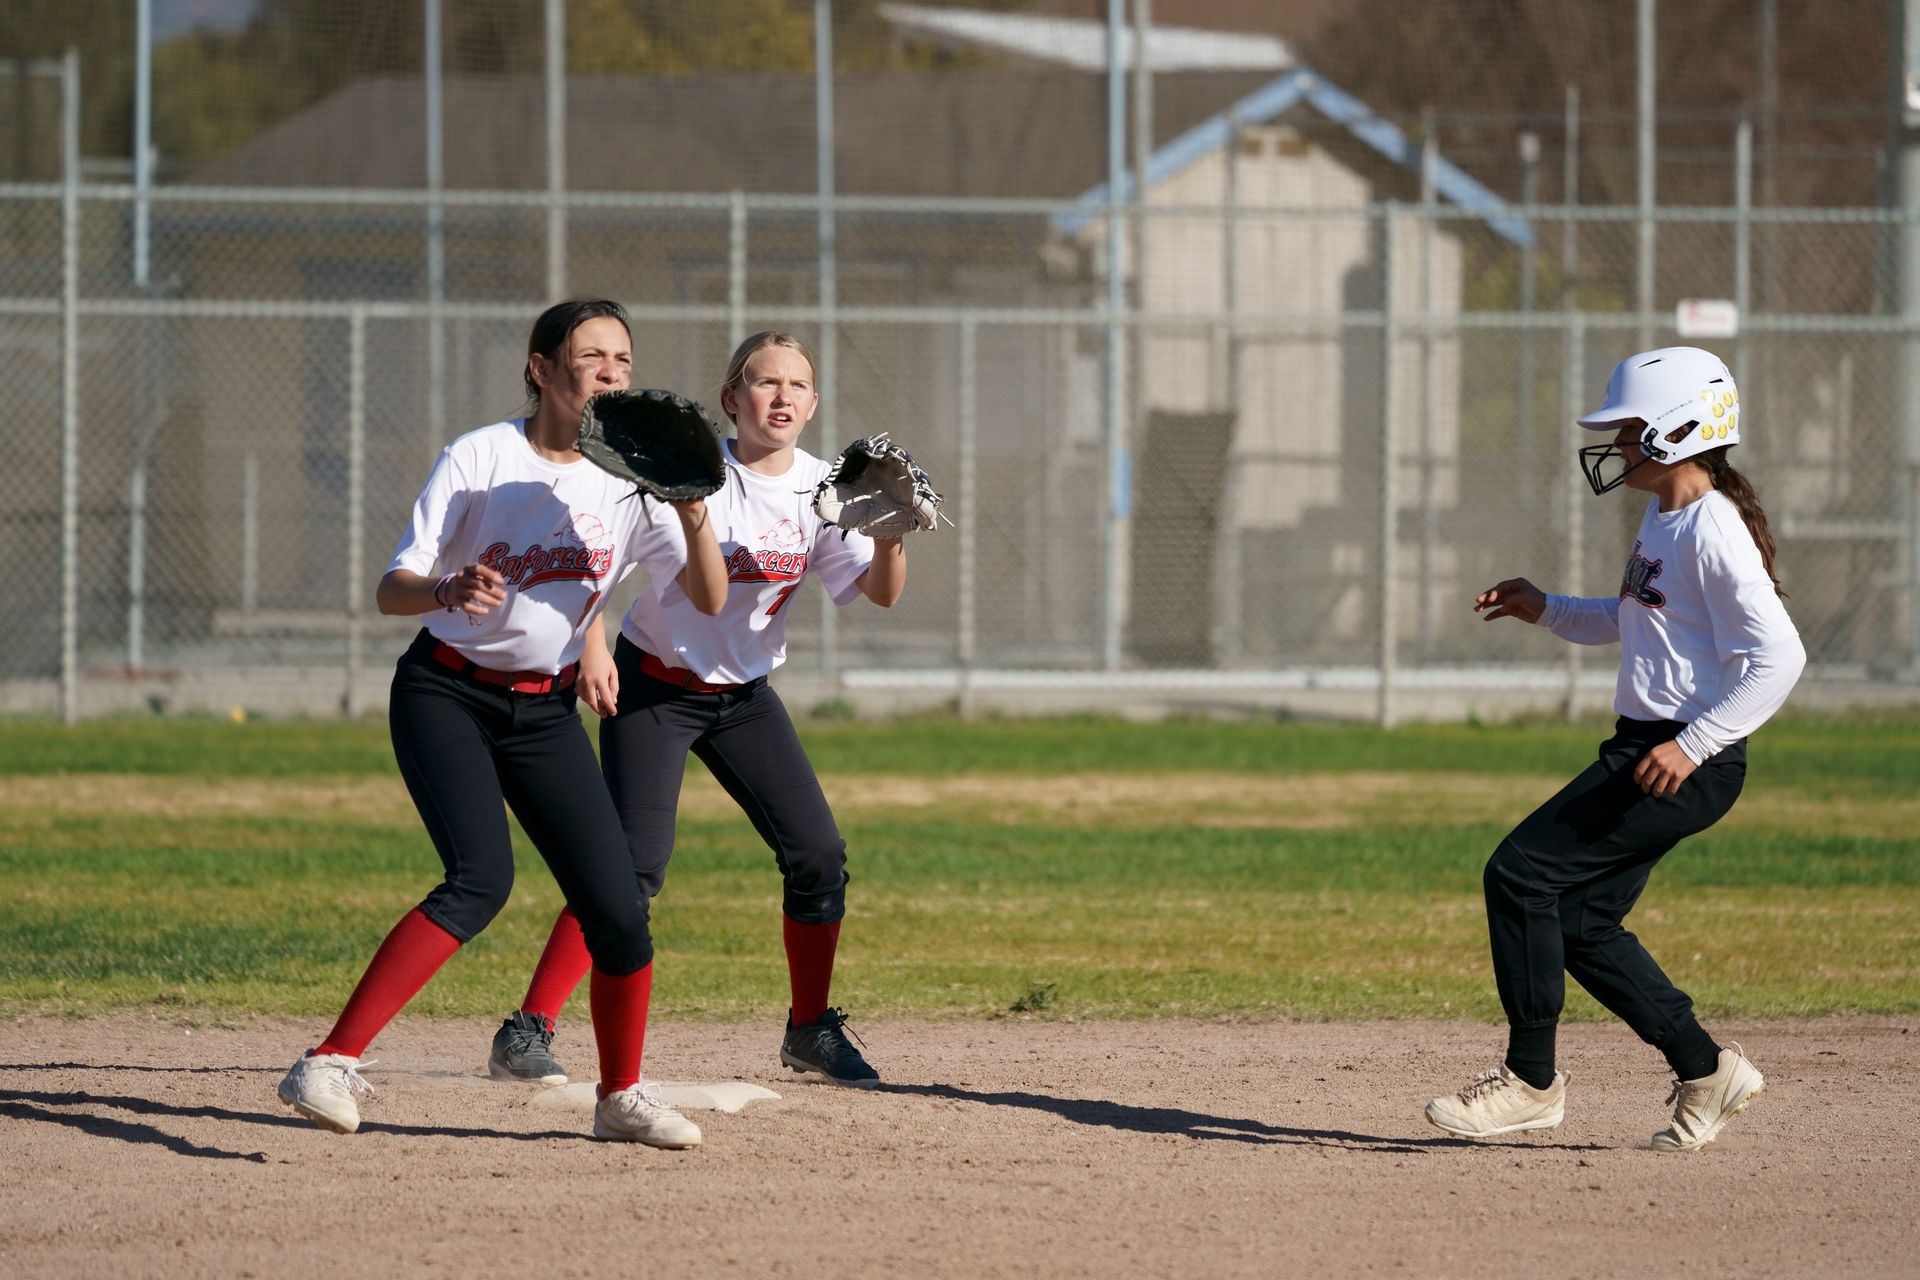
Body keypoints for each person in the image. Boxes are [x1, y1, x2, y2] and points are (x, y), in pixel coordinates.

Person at [275, 299, 728, 1147]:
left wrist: (694, 510)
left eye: (622, 359)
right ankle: (328, 1061)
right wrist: (445, 589)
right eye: (590, 355)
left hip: (544, 710)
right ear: (542, 368)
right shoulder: (481, 457)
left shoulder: (632, 484)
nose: (610, 371)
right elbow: (391, 588)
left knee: (619, 907)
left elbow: (708, 597)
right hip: (446, 693)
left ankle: (620, 1095)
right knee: (481, 880)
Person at [483, 329, 908, 1091]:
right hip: (656, 688)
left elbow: (877, 593)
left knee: (817, 855)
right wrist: (592, 648)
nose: (781, 397)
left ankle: (809, 1028)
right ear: (731, 400)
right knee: (630, 869)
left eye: (797, 386)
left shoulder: (821, 489)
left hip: (744, 699)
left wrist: (892, 538)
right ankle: (527, 1027)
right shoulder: (688, 470)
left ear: (813, 405)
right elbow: (594, 561)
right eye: (765, 382)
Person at [1424, 346, 1805, 1150]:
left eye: (1630, 428)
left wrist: (1695, 745)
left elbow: (1782, 658)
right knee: (1582, 922)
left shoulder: (1712, 527)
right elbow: (1633, 618)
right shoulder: (1667, 516)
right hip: (1650, 747)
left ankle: (1531, 1082)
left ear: (1679, 430)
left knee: (1518, 874)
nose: (1618, 444)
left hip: (1678, 758)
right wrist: (1547, 607)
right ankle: (1707, 1070)